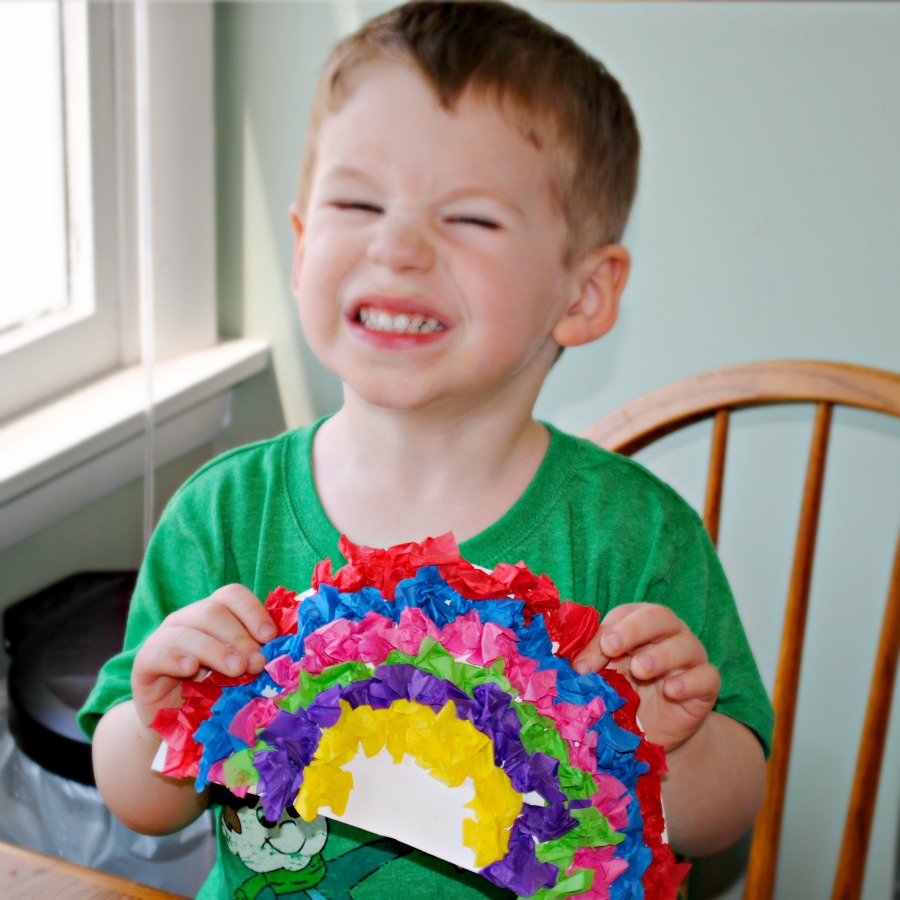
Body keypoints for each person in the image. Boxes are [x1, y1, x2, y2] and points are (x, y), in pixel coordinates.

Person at [79, 2, 773, 897]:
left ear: (585, 293)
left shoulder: (634, 538)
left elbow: (727, 819)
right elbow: (142, 802)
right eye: (358, 202)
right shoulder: (222, 517)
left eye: (470, 219)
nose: (397, 246)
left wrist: (666, 743)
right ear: (300, 251)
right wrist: (159, 722)